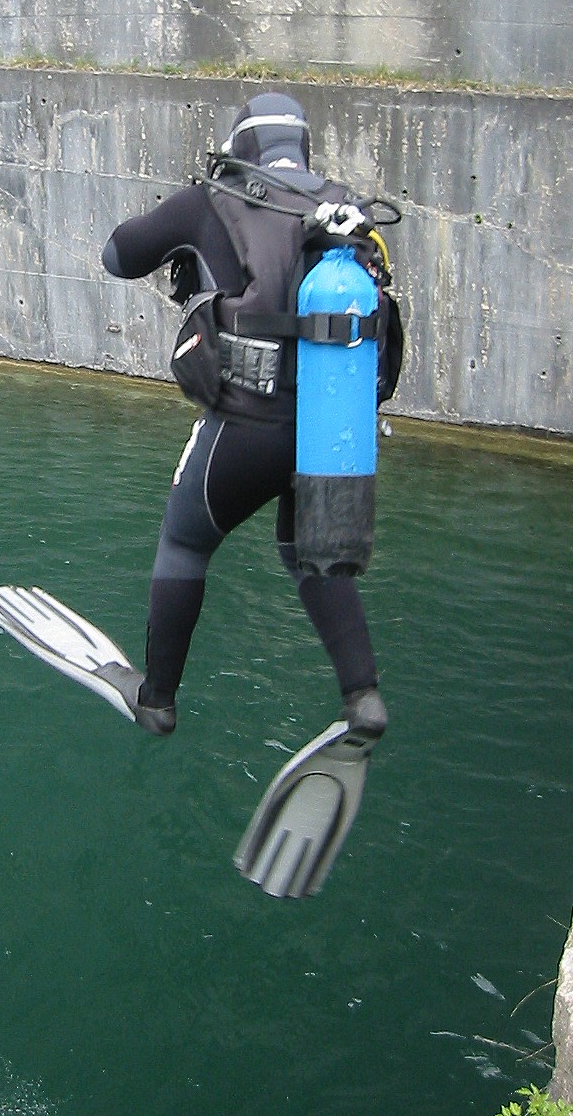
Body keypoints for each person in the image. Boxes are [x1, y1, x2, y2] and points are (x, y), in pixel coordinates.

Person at [99, 91, 399, 739]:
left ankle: (156, 697)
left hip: (245, 427)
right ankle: (363, 694)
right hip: (331, 424)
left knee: (184, 543)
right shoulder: (346, 211)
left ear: (240, 148)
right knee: (312, 558)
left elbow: (118, 254)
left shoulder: (212, 200)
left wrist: (185, 236)